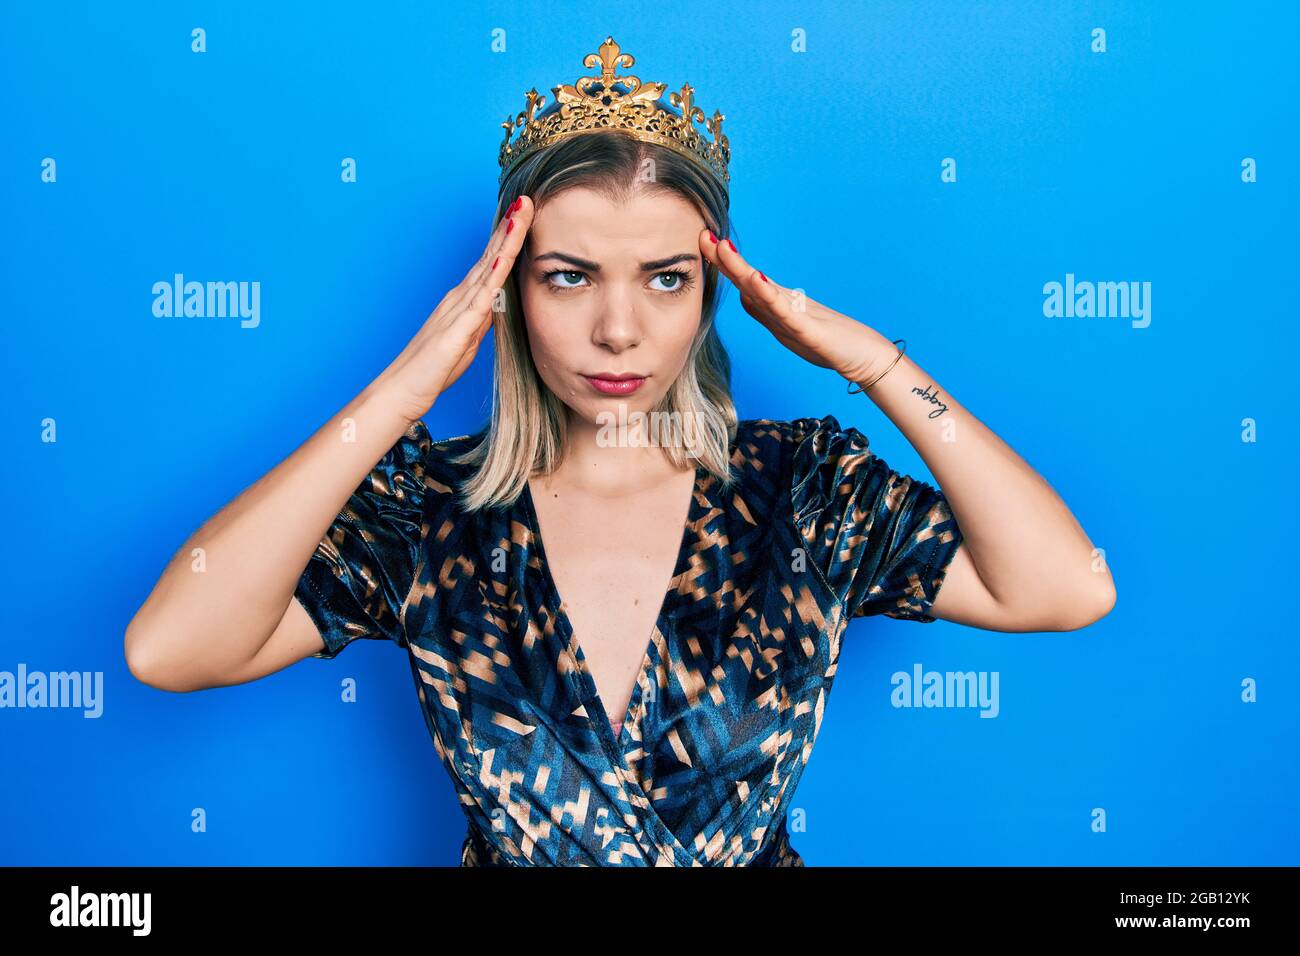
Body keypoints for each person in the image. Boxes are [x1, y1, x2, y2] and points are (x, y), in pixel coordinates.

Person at [123, 36, 1116, 866]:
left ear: (712, 289)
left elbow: (1064, 585)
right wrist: (396, 395)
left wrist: (871, 360)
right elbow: (170, 647)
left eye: (666, 279)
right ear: (506, 288)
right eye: (567, 276)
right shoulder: (426, 507)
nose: (617, 330)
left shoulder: (802, 490)